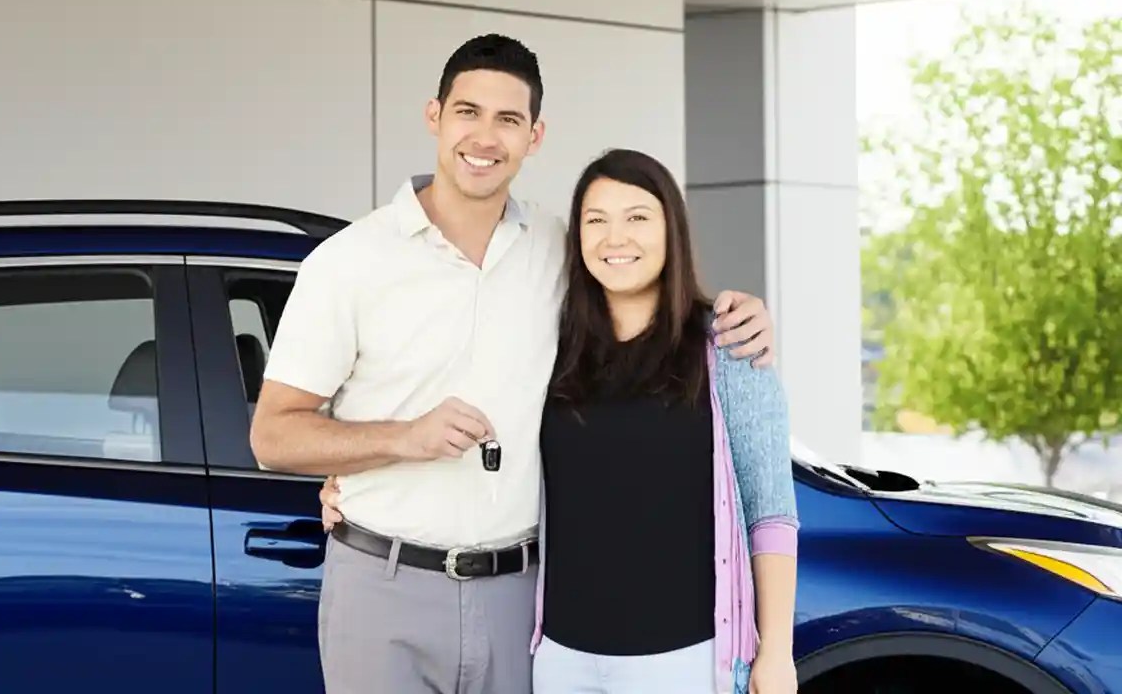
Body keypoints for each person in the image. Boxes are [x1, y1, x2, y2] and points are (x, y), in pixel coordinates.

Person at [252, 34, 779, 694]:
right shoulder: (350, 262)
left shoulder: (560, 255)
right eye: (468, 112)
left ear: (535, 136)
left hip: (518, 597)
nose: (485, 136)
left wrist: (736, 317)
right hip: (382, 588)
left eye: (509, 119)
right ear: (434, 117)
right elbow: (273, 435)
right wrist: (396, 440)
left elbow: (643, 295)